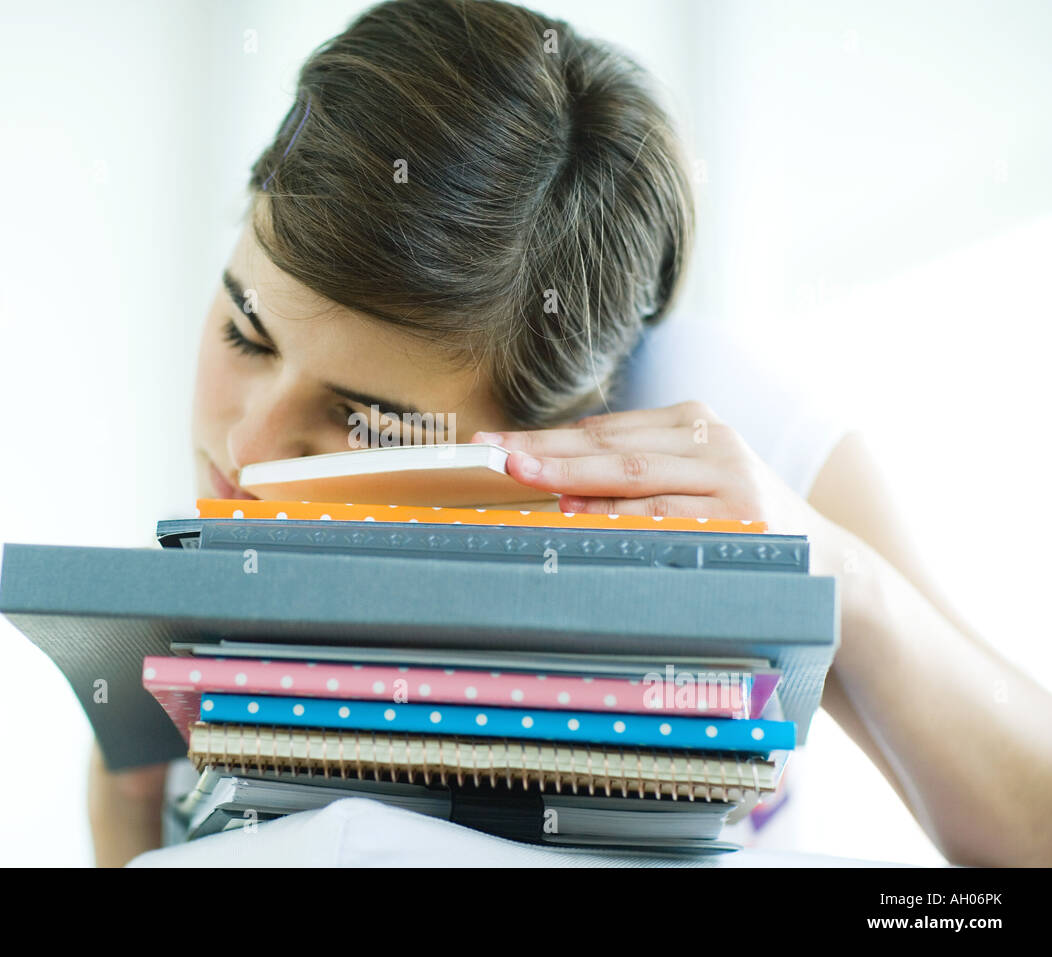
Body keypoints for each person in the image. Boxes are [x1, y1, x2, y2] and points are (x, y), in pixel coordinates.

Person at [88, 0, 1052, 867]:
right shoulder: (196, 581)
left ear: (565, 427)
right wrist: (125, 828)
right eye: (243, 332)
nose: (248, 441)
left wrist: (836, 574)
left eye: (365, 419)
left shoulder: (713, 415)